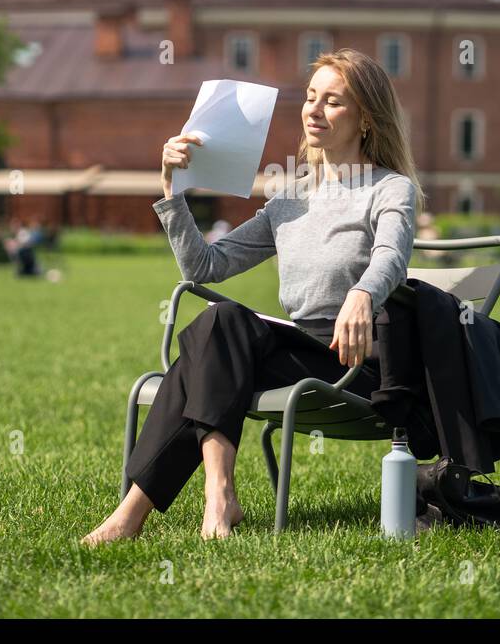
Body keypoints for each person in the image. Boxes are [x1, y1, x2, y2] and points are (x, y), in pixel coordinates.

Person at [81, 47, 422, 545]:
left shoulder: (390, 189)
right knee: (217, 332)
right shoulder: (290, 197)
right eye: (310, 98)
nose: (314, 109)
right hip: (290, 350)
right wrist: (174, 192)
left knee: (212, 340)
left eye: (333, 101)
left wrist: (364, 294)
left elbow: (392, 254)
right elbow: (205, 266)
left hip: (352, 361)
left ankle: (139, 513)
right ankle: (211, 497)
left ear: (366, 118)